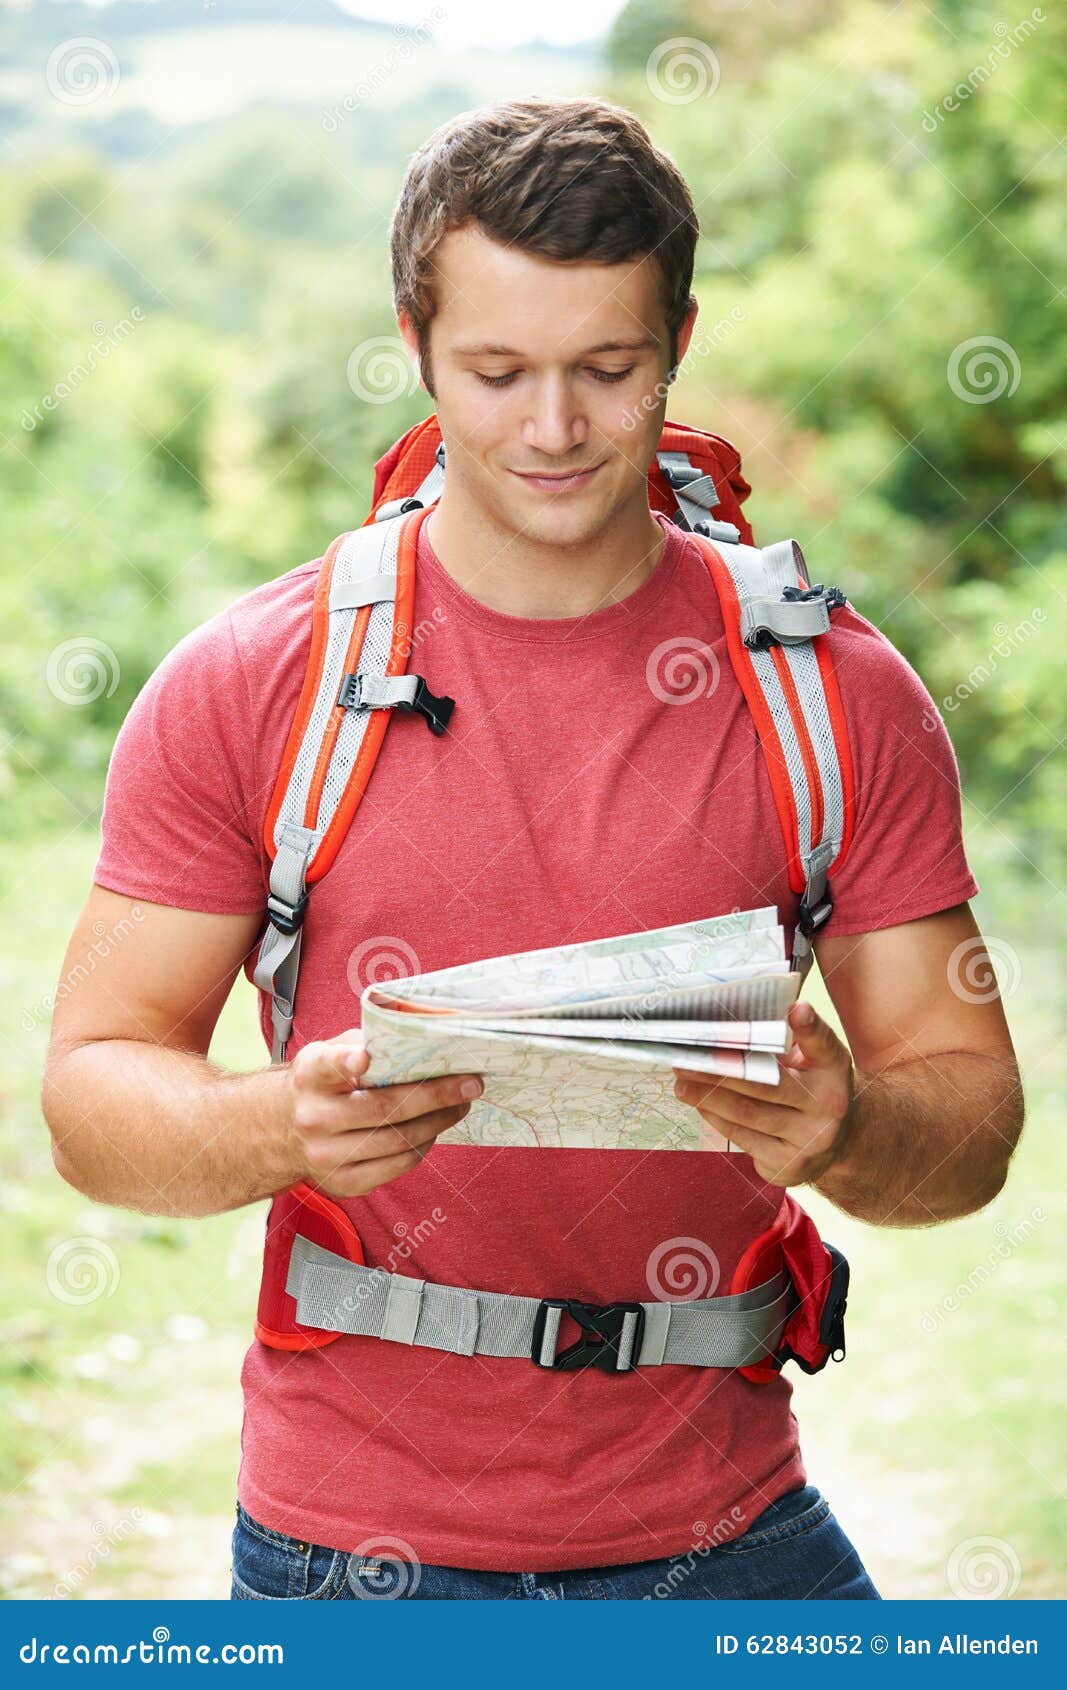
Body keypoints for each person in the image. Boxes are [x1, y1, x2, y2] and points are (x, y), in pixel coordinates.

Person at [42, 97, 1022, 1601]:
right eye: (497, 372)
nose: (553, 428)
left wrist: (852, 1127)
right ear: (416, 342)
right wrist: (275, 1128)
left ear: (679, 338)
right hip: (343, 1550)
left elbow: (972, 1119)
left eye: (607, 369)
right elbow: (93, 1088)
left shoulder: (833, 696)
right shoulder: (256, 686)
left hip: (731, 1533)